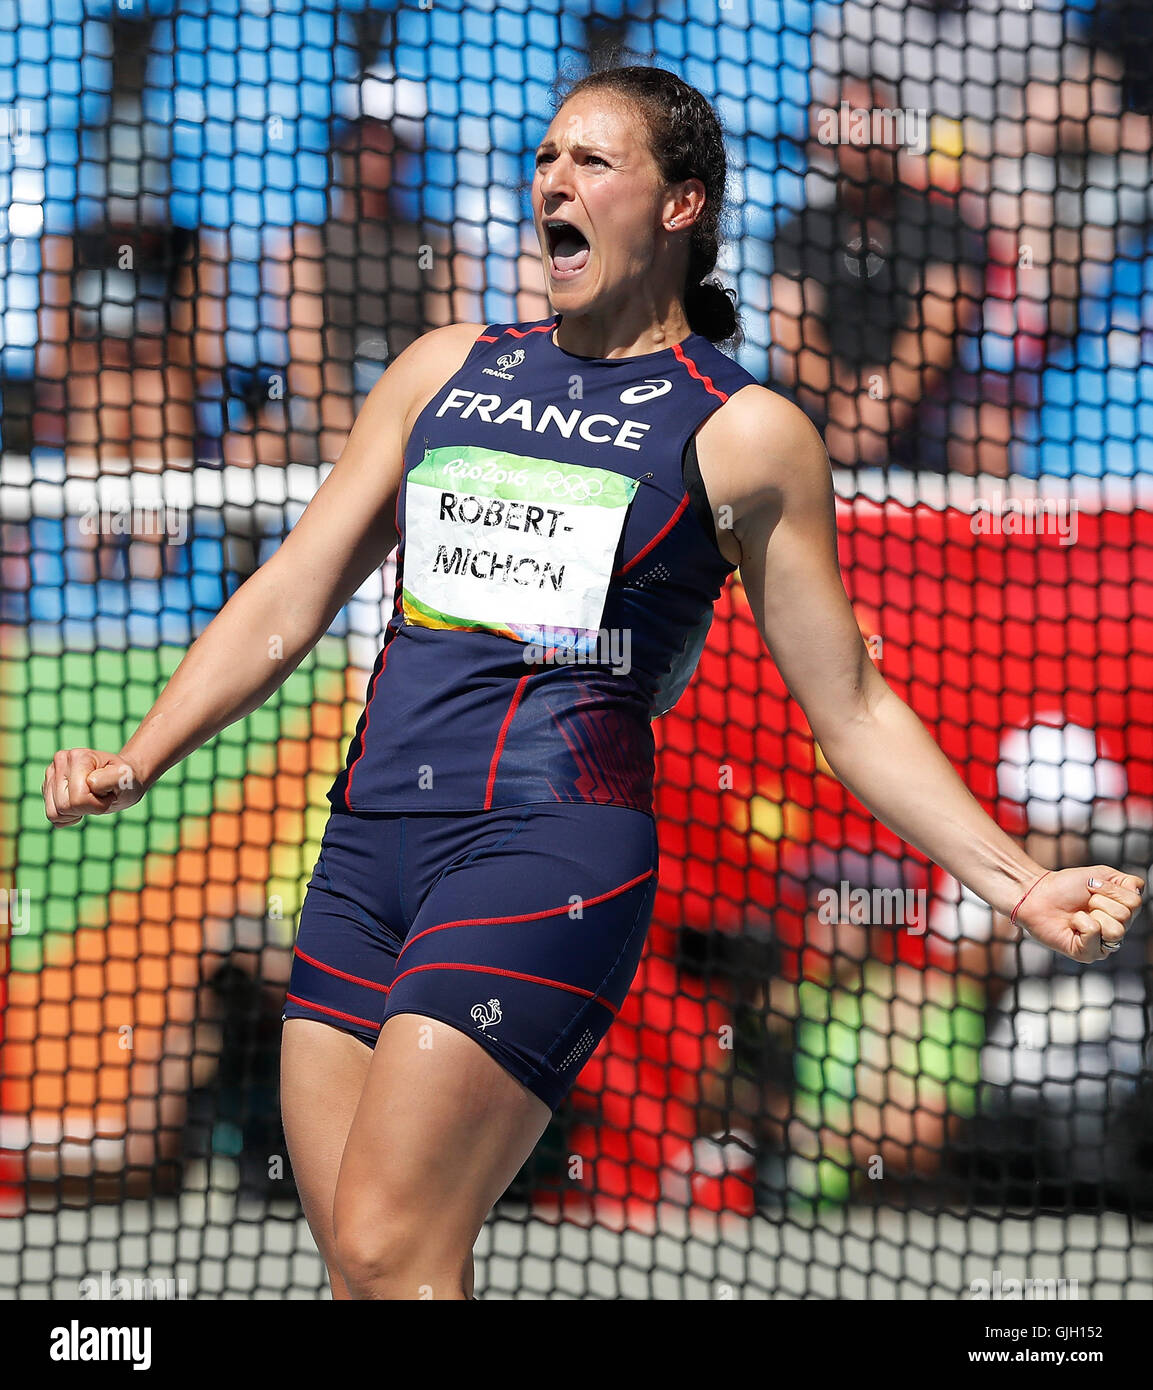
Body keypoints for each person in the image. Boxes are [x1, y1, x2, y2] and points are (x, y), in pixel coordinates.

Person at [40, 64, 1144, 1301]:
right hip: (364, 857)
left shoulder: (742, 431)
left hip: (543, 854)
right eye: (546, 157)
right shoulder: (445, 368)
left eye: (593, 160)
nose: (552, 180)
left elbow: (855, 709)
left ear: (680, 205)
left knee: (392, 1248)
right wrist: (142, 754)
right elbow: (291, 596)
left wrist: (1020, 880)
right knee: (365, 1262)